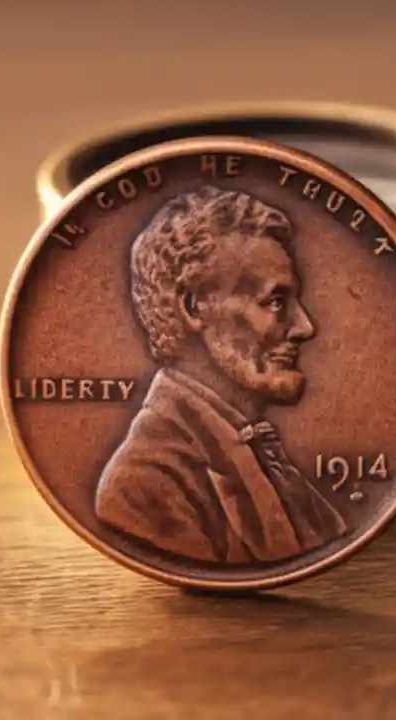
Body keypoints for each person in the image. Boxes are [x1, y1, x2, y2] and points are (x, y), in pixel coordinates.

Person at [95, 185, 348, 564]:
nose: (304, 327)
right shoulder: (141, 484)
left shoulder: (264, 453)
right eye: (275, 301)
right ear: (194, 307)